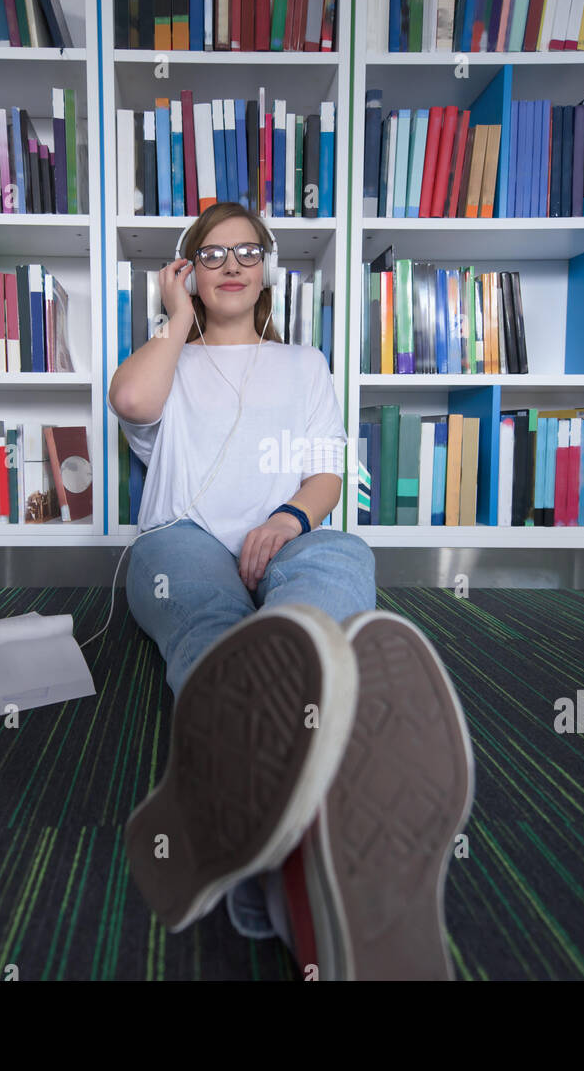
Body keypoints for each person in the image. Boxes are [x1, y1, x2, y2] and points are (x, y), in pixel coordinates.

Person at [107, 202, 475, 979]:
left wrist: (283, 518)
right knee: (207, 620)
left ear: (268, 266)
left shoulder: (305, 364)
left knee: (338, 558)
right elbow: (131, 402)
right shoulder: (168, 359)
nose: (232, 264)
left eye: (248, 250)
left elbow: (327, 475)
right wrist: (175, 320)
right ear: (188, 274)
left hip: (286, 530)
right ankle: (315, 791)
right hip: (184, 537)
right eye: (211, 256)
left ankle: (290, 749)